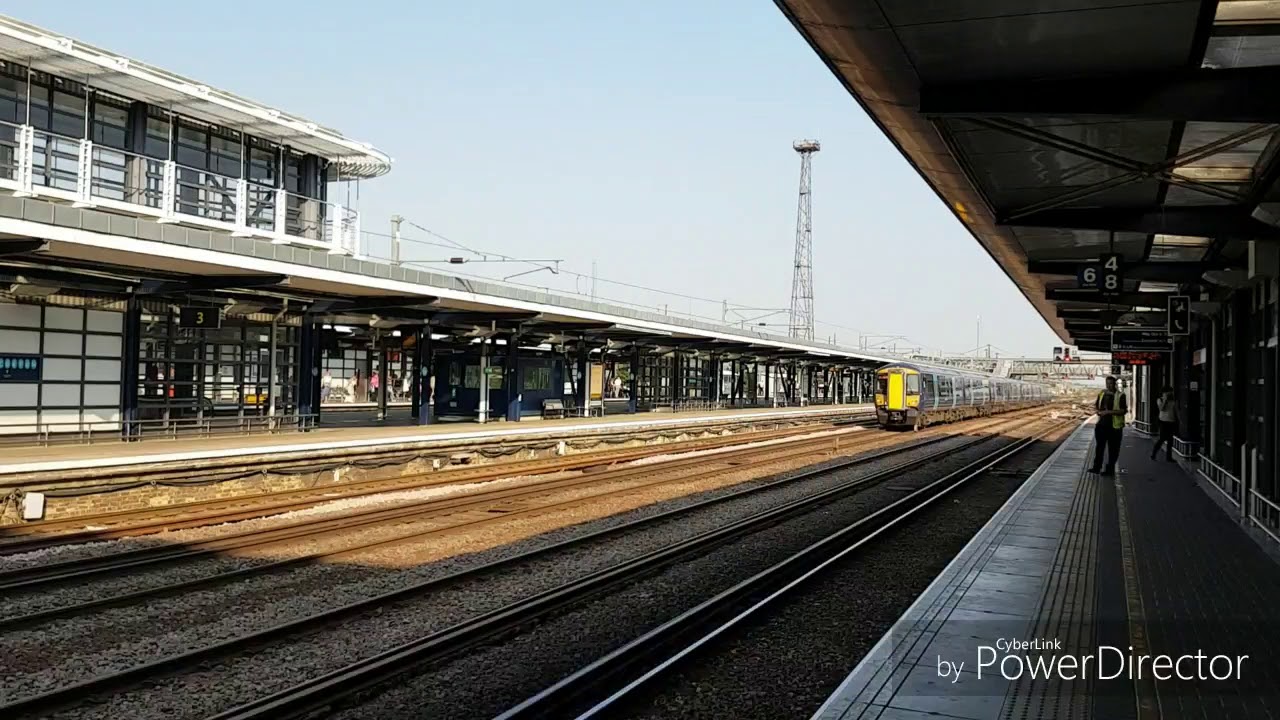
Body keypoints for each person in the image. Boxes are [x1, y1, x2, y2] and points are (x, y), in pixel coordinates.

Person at [1090, 376, 1127, 475]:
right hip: (1101, 425)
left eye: (1111, 383)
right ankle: (1096, 467)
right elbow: (1097, 406)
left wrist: (1108, 412)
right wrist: (1098, 411)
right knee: (1099, 448)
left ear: (1114, 384)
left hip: (1115, 427)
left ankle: (1110, 470)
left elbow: (1123, 411)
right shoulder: (1102, 393)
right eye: (1107, 383)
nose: (1109, 385)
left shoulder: (1120, 395)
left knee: (1113, 450)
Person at [1151, 387, 1178, 462]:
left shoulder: (1173, 400)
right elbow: (1161, 409)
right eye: (1169, 392)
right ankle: (1153, 454)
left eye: (1171, 392)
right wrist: (1165, 400)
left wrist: (1178, 419)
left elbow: (1175, 410)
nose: (1170, 394)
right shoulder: (1160, 400)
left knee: (1170, 440)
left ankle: (1169, 457)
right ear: (1164, 393)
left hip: (1171, 421)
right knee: (1162, 439)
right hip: (1163, 422)